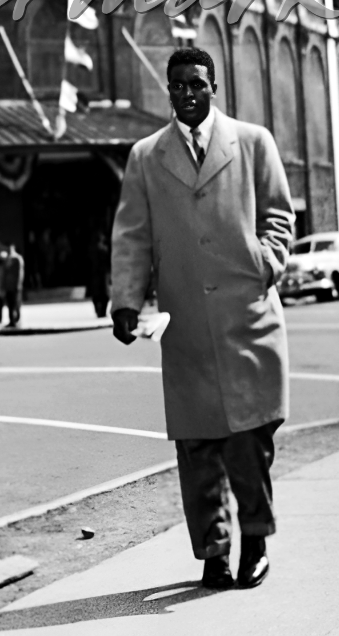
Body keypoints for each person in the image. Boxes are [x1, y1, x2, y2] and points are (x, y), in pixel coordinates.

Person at [110, 46, 293, 592]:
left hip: (247, 317)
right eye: (178, 86)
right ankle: (213, 552)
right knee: (197, 448)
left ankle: (254, 541)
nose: (188, 93)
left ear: (214, 86)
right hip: (184, 324)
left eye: (198, 84)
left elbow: (280, 214)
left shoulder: (253, 141)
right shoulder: (146, 156)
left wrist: (266, 261)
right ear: (168, 92)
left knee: (248, 441)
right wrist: (125, 301)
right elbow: (132, 235)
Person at [86, 231, 111, 319]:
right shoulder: (93, 249)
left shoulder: (105, 248)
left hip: (103, 274)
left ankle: (102, 311)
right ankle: (98, 311)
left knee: (105, 295)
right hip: (96, 274)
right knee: (96, 294)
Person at [3, 242, 25, 328]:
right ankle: (12, 320)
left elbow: (20, 273)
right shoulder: (8, 259)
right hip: (8, 285)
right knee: (10, 304)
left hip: (15, 285)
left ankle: (16, 320)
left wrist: (18, 284)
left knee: (16, 304)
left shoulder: (17, 258)